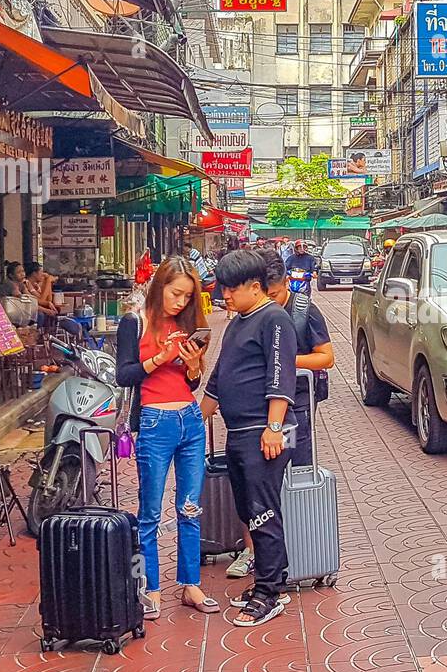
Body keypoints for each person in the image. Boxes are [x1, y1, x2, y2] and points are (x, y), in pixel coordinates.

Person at [227, 246, 334, 596]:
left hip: (295, 410)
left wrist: (286, 361)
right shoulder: (249, 316)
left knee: (292, 480)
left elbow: (327, 358)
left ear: (284, 284)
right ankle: (255, 553)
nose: (269, 300)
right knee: (258, 491)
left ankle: (300, 556)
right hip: (259, 415)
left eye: (274, 294)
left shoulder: (303, 312)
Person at [199, 248, 298, 626]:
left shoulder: (274, 319)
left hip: (267, 433)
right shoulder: (239, 321)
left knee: (263, 510)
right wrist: (197, 419)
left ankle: (271, 590)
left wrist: (274, 428)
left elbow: (281, 374)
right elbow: (220, 378)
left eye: (231, 289)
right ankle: (269, 580)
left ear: (254, 287)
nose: (224, 295)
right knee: (247, 509)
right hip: (239, 433)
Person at [116, 256, 215, 619]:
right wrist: (161, 358)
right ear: (160, 286)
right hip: (155, 422)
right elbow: (124, 375)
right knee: (149, 514)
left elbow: (191, 383)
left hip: (189, 419)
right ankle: (148, 586)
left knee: (190, 508)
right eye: (176, 294)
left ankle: (190, 584)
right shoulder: (135, 322)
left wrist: (192, 366)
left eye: (187, 297)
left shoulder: (184, 324)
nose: (180, 302)